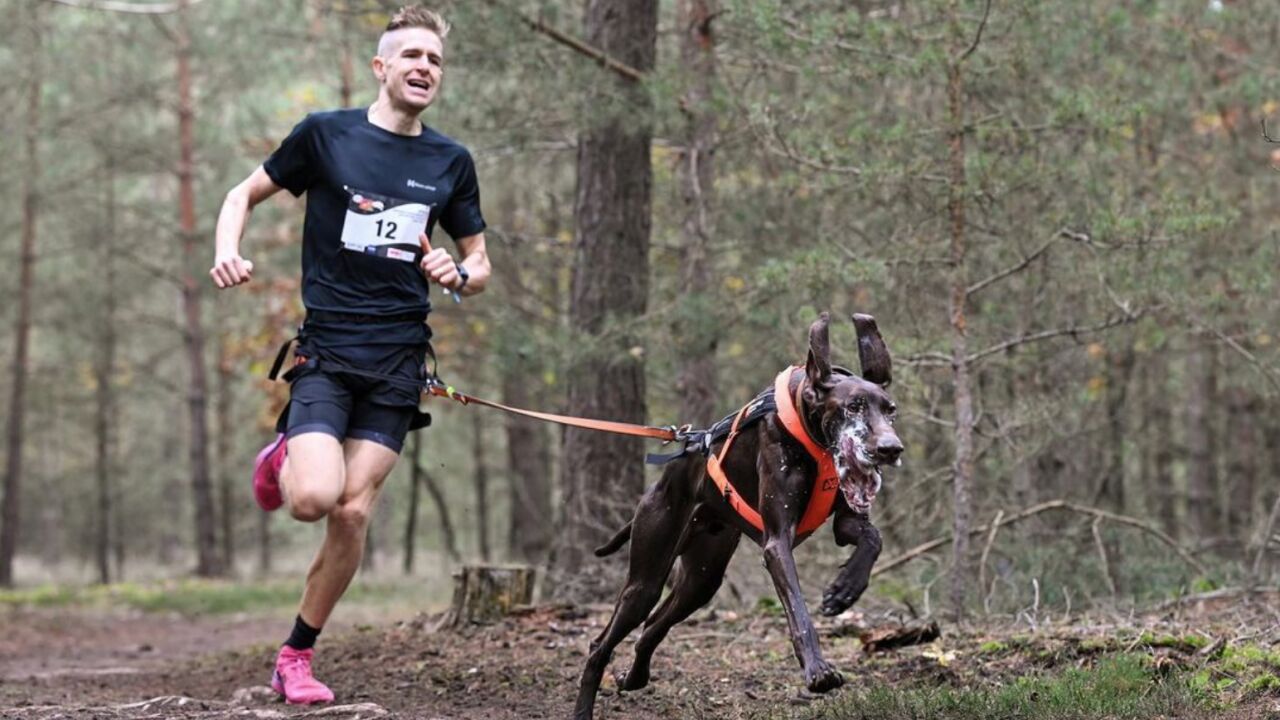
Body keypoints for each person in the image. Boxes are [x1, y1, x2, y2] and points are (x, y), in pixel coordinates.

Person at [209, 6, 489, 705]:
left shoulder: (450, 161)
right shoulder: (325, 135)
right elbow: (242, 193)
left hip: (399, 361)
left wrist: (459, 273)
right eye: (412, 56)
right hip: (329, 351)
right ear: (381, 67)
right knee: (312, 498)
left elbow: (479, 262)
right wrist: (227, 250)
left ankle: (295, 657)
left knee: (353, 511)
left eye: (435, 60)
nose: (425, 67)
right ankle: (283, 457)